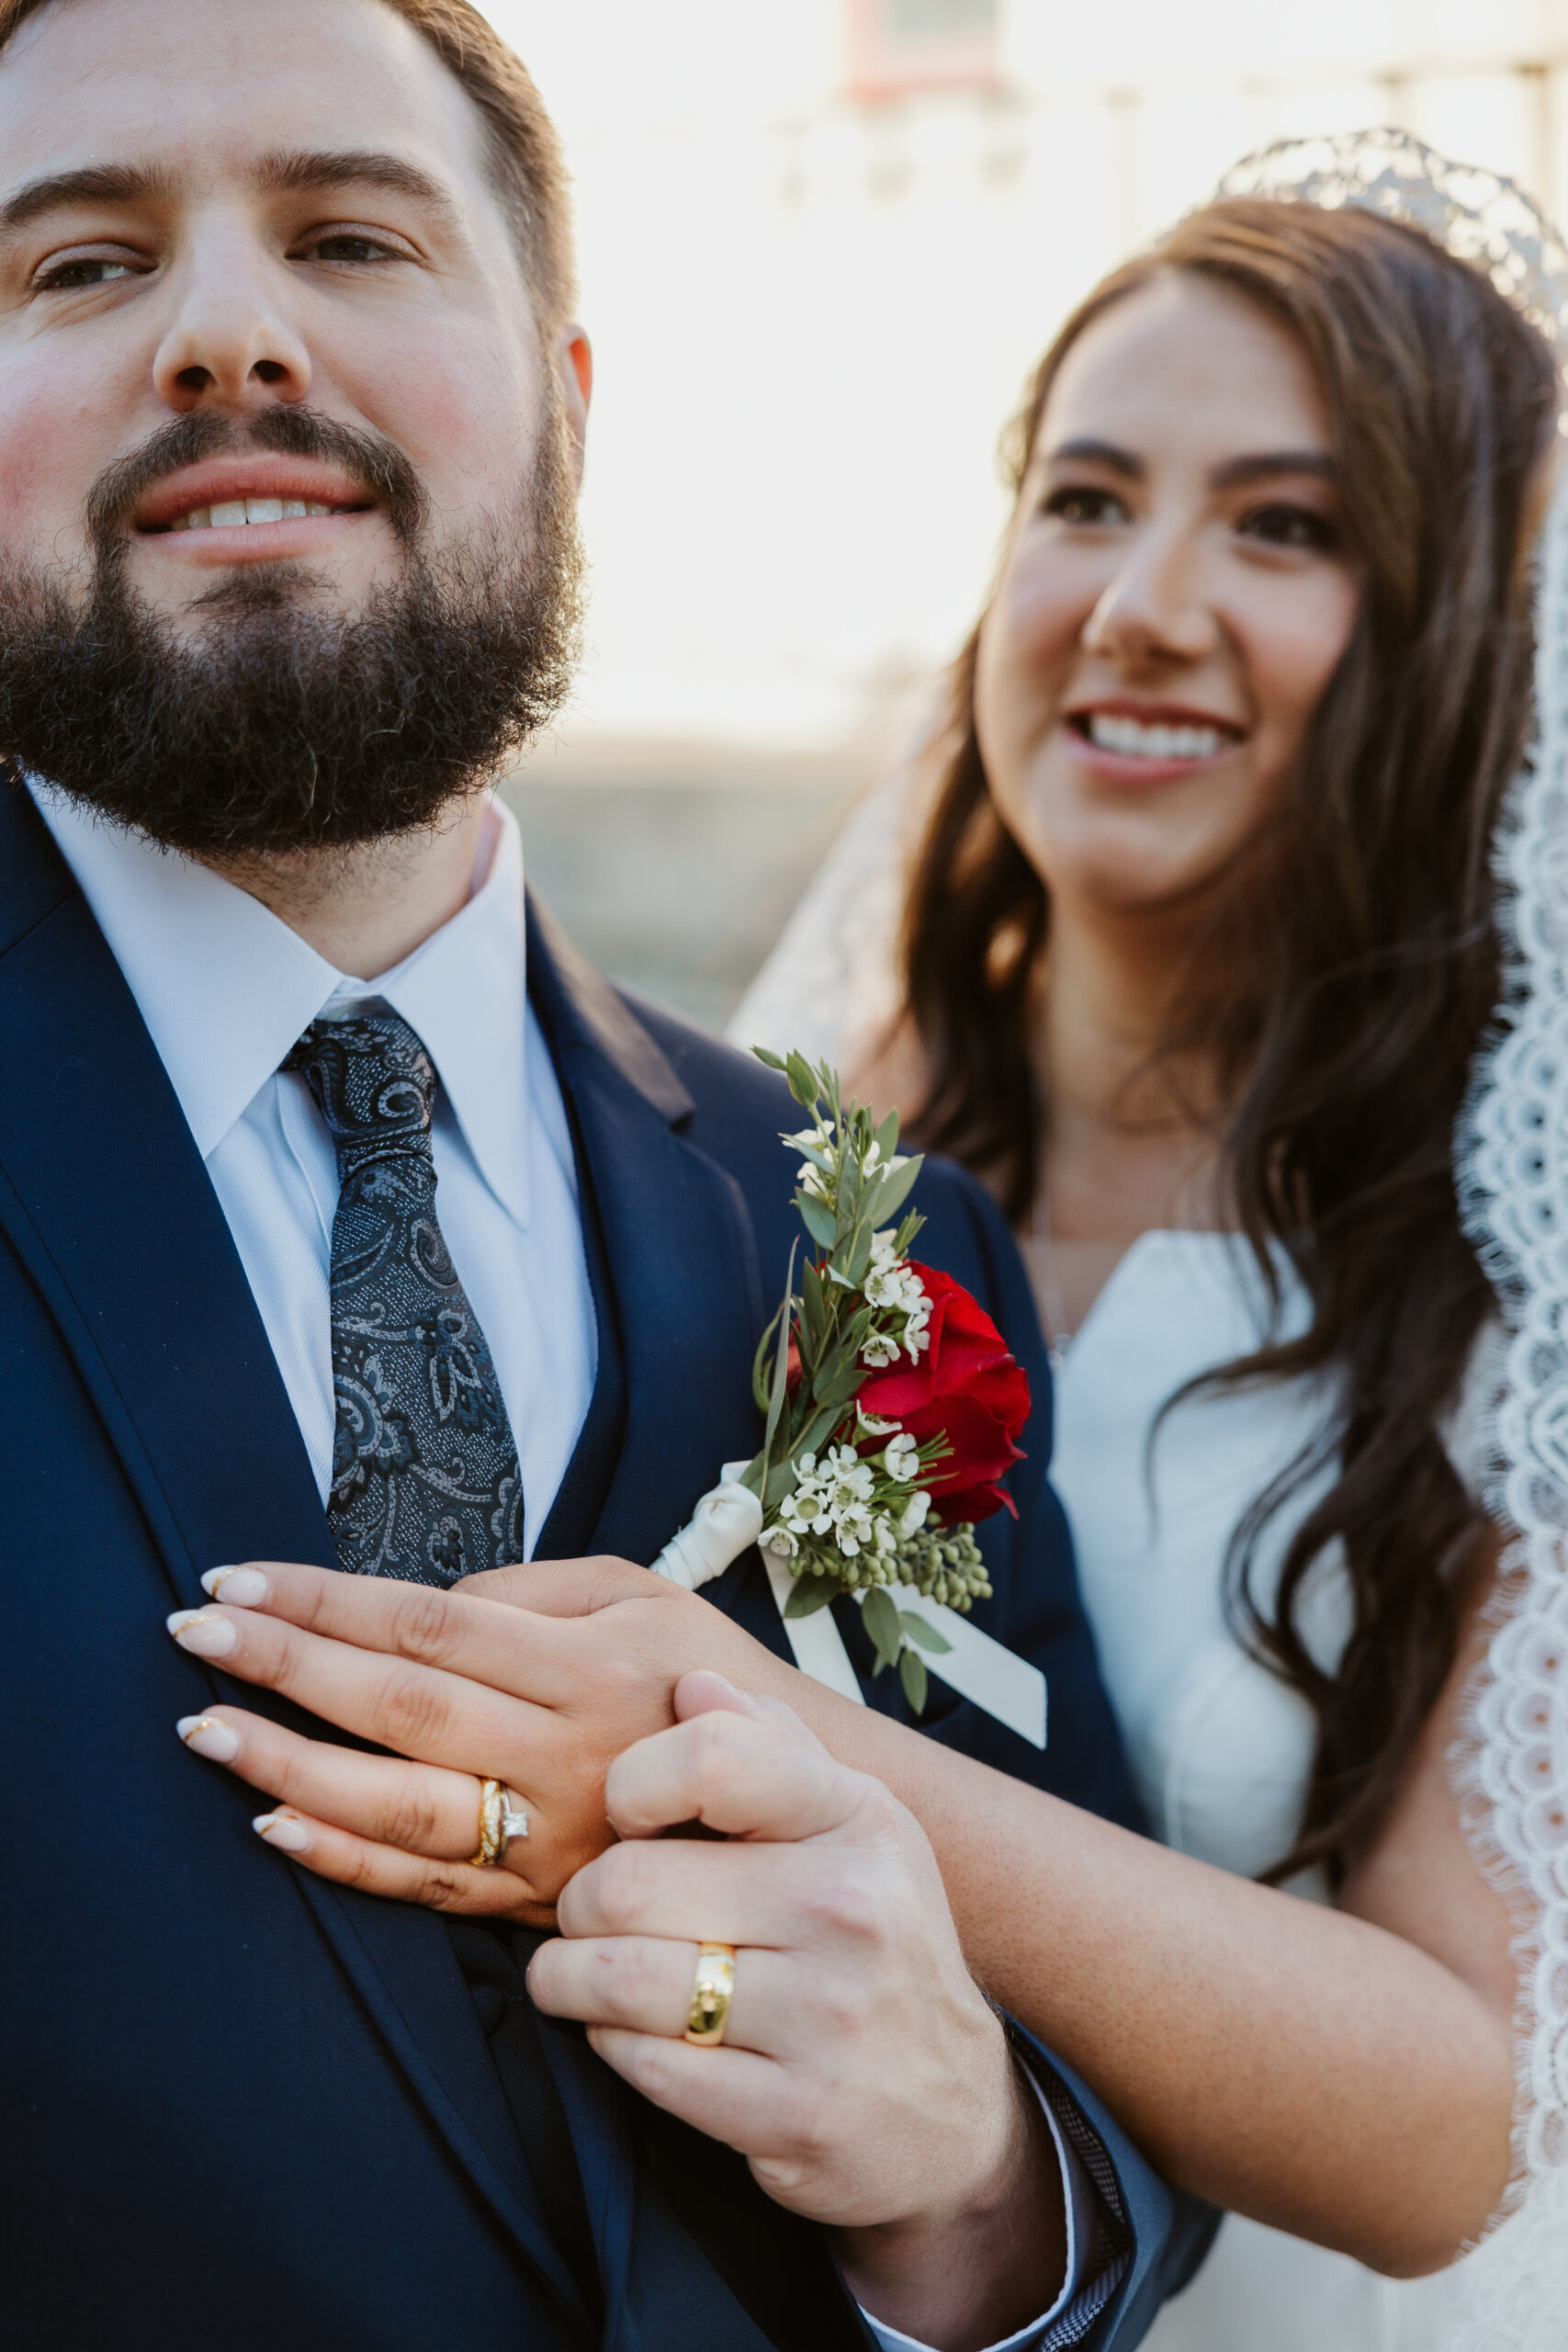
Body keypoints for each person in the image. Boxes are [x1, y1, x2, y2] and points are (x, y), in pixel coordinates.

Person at [183, 140, 1564, 2352]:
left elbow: (1461, 2124)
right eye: (1086, 498)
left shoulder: (1520, 1259)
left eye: (1285, 527)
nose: (1138, 603)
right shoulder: (792, 1153)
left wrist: (734, 1720)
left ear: (1468, 639)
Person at [0, 1, 1216, 2346]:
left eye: (350, 234)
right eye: (77, 268)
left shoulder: (868, 1233)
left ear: (568, 392)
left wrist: (967, 2188)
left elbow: (1096, 2082)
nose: (229, 333)